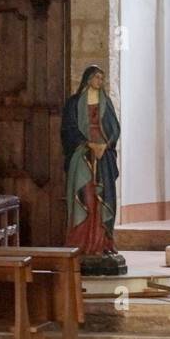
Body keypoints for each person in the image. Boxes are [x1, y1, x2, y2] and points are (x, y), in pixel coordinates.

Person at [62, 65, 122, 267]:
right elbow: (68, 129)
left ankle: (103, 243)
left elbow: (115, 128)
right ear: (88, 79)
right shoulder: (74, 103)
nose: (100, 81)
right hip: (82, 153)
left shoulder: (107, 102)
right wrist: (88, 144)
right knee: (86, 197)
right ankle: (81, 243)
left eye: (102, 77)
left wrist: (105, 145)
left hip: (103, 154)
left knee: (103, 197)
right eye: (97, 77)